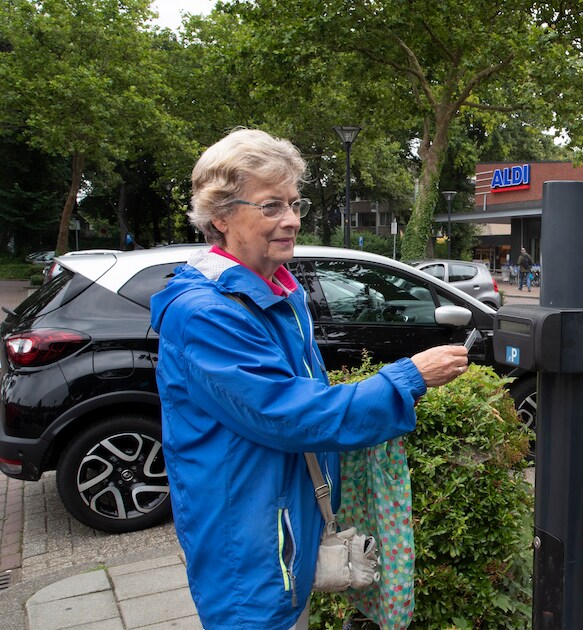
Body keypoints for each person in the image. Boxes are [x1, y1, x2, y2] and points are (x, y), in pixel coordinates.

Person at [149, 128, 469, 630]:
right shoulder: (206, 313)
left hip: (279, 529)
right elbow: (293, 414)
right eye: (272, 206)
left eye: (295, 203)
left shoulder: (272, 290)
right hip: (248, 548)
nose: (292, 220)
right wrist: (408, 378)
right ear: (220, 215)